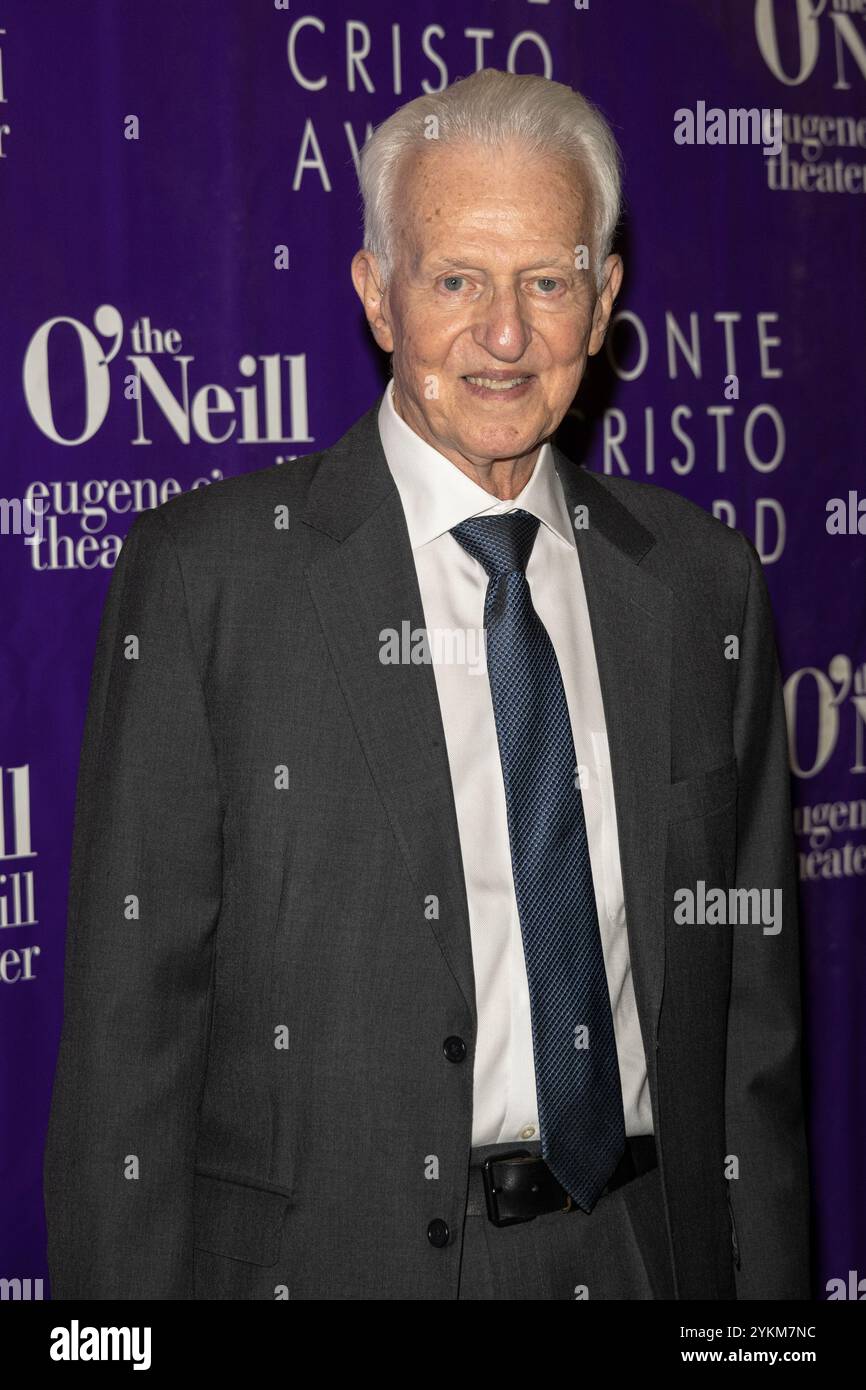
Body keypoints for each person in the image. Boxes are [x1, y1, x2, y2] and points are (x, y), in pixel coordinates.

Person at [44, 68, 809, 1300]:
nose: (503, 335)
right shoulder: (210, 579)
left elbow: (751, 1047)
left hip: (637, 1261)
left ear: (603, 297)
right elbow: (130, 1049)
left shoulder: (701, 585)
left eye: (547, 282)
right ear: (377, 297)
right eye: (455, 279)